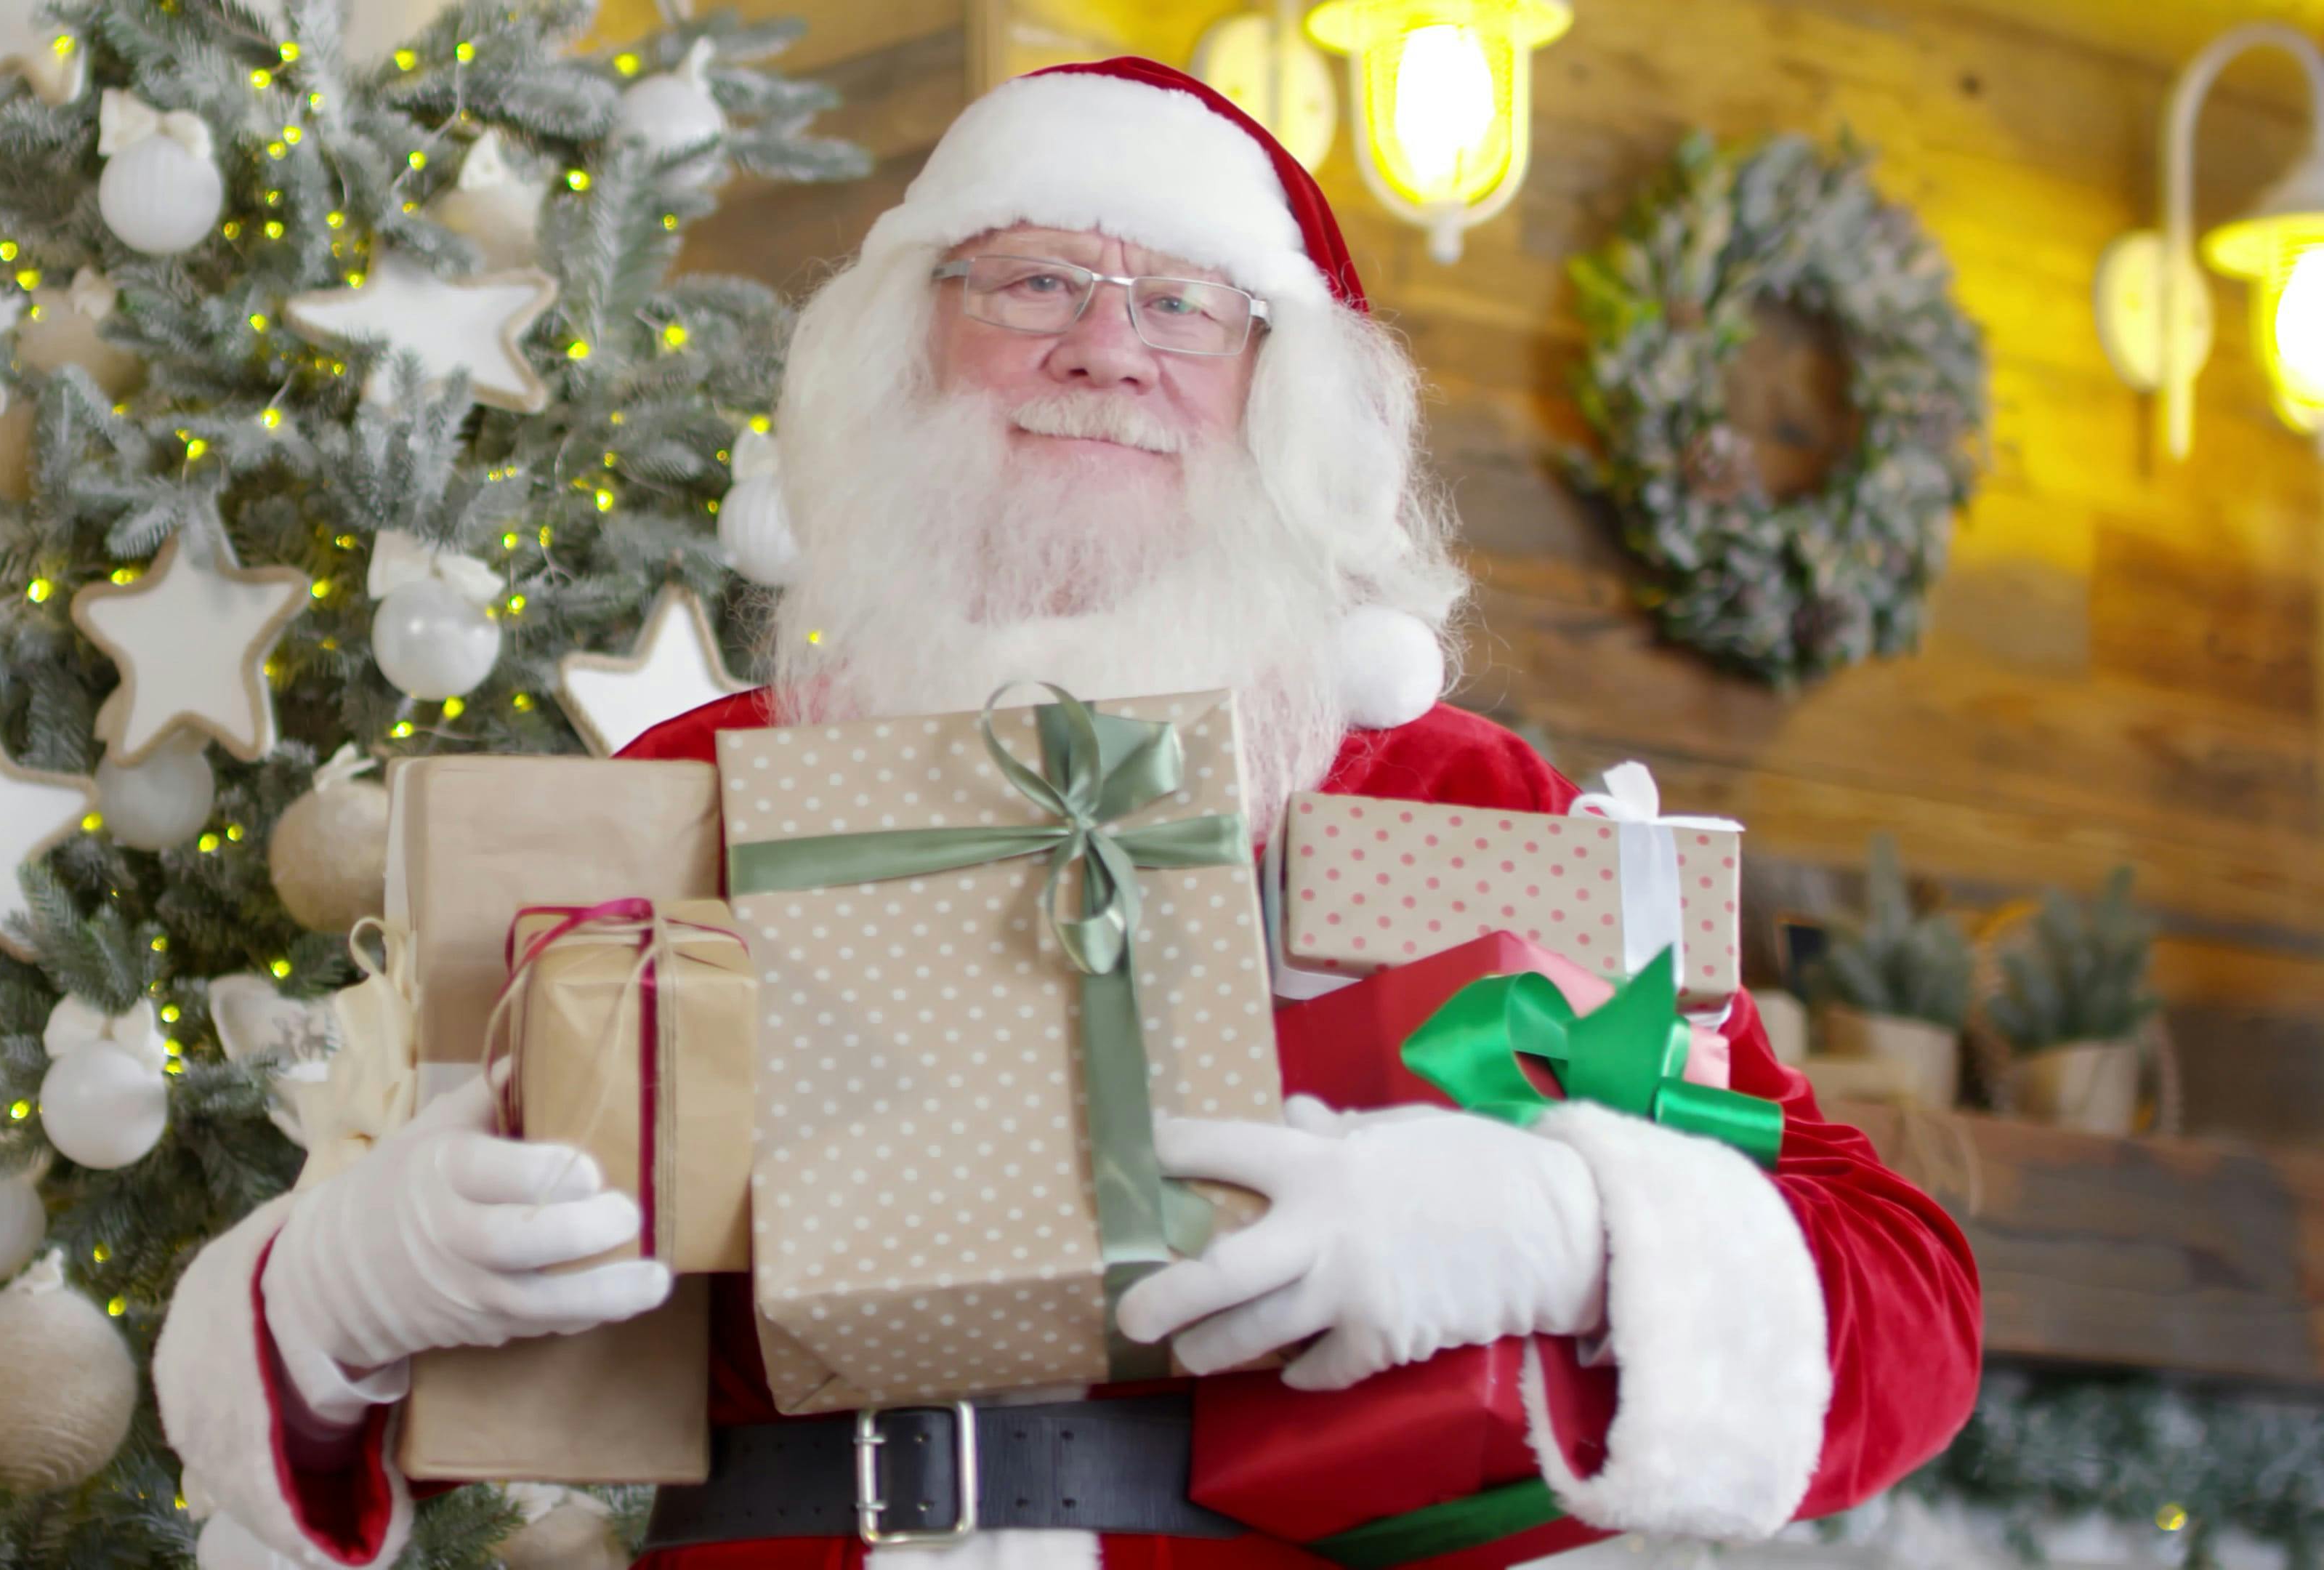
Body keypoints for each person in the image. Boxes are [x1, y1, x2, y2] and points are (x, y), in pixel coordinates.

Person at [154, 57, 1982, 1570]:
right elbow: (299, 1379)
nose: (1109, 348)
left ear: (1285, 397)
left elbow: (1905, 1306)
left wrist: (1560, 1229)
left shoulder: (1444, 799)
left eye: (1185, 303)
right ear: (907, 348)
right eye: (1030, 280)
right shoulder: (691, 788)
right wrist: (341, 1282)